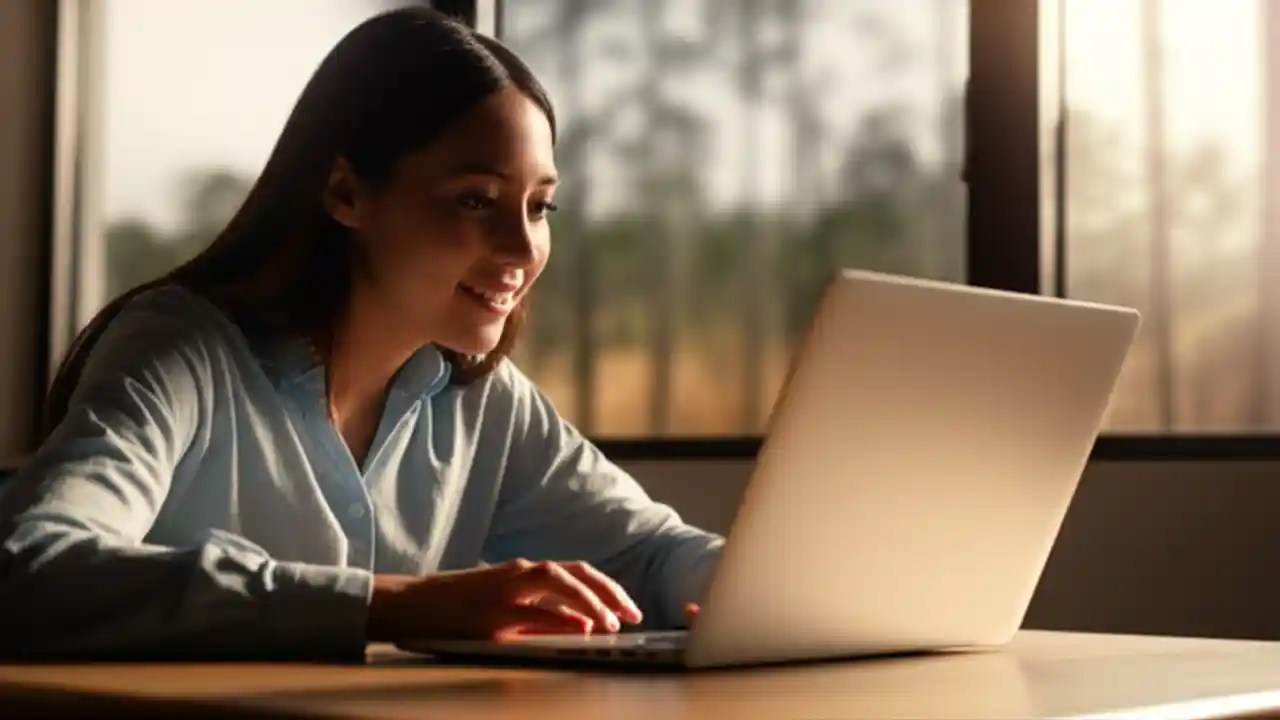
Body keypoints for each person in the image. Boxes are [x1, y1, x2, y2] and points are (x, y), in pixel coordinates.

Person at [0, 7, 722, 659]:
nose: (522, 247)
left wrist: (766, 592)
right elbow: (28, 566)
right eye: (477, 200)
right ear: (346, 193)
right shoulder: (181, 352)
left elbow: (653, 555)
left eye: (541, 207)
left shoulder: (483, 402)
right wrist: (388, 601)